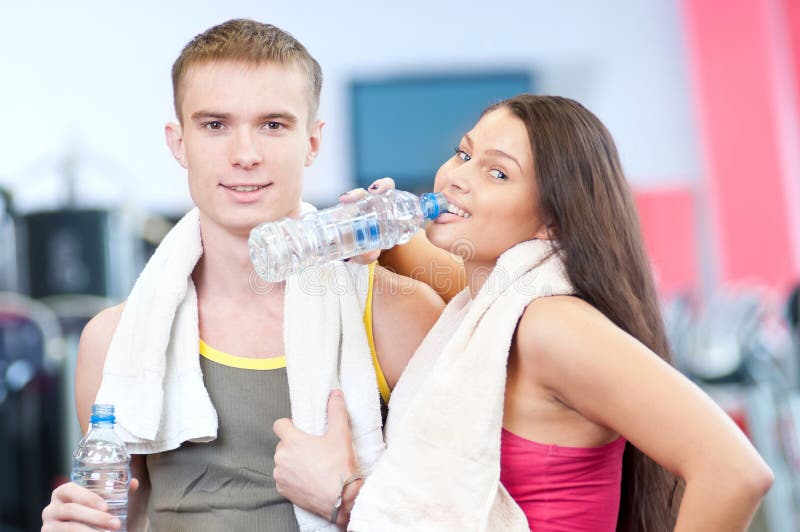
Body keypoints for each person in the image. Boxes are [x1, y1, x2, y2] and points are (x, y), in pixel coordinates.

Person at [276, 95, 774, 531]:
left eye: (497, 173)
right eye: (463, 153)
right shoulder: (489, 298)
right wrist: (369, 230)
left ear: (550, 221)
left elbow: (735, 472)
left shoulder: (550, 325)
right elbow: (410, 252)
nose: (458, 179)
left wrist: (342, 497)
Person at [41, 19, 443, 531]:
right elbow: (124, 519)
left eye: (273, 125)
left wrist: (344, 501)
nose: (246, 155)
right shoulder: (114, 342)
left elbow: (464, 508)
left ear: (313, 143)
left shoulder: (397, 316)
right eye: (215, 125)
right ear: (178, 142)